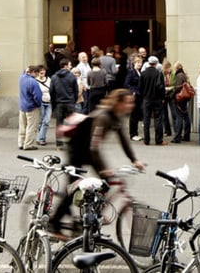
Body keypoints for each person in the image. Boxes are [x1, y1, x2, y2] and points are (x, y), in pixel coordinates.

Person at [48, 88, 147, 236]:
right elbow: (94, 147)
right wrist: (103, 169)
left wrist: (134, 160)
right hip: (77, 151)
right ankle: (54, 224)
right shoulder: (103, 117)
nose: (131, 106)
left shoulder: (115, 116)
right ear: (118, 103)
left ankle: (93, 213)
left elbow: (123, 140)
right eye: (128, 103)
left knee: (105, 182)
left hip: (89, 151)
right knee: (73, 189)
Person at [50, 58, 78, 148]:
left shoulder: (54, 77)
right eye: (70, 65)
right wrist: (74, 100)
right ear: (65, 66)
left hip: (59, 103)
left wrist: (54, 103)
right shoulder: (72, 76)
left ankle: (59, 145)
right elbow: (76, 91)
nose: (71, 66)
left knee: (59, 124)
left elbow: (51, 91)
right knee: (71, 124)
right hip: (70, 102)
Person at [139, 56, 167, 146]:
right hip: (157, 99)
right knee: (158, 119)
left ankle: (146, 140)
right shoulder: (159, 74)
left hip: (147, 99)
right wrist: (163, 98)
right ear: (156, 64)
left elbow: (140, 88)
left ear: (148, 63)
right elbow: (162, 88)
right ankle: (159, 140)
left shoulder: (143, 73)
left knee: (146, 119)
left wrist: (143, 96)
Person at [18, 65, 43, 150]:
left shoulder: (21, 78)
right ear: (34, 72)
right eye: (36, 73)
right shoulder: (33, 82)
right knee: (31, 127)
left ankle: (21, 143)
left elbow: (23, 72)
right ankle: (28, 144)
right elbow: (38, 96)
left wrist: (27, 69)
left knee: (23, 126)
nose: (37, 75)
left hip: (22, 106)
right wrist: (38, 104)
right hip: (32, 107)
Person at [171, 61, 191, 142]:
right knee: (186, 117)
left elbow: (177, 88)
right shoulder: (183, 75)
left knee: (179, 117)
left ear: (177, 68)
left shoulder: (179, 75)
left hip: (179, 98)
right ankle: (186, 135)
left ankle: (177, 137)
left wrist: (171, 95)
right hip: (184, 98)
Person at [125, 56, 144, 141]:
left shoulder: (139, 72)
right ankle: (133, 134)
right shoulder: (131, 72)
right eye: (138, 62)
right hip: (134, 96)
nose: (139, 64)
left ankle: (135, 133)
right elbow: (126, 84)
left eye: (140, 62)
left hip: (139, 96)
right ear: (134, 63)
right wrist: (133, 91)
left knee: (136, 115)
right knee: (133, 115)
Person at [35, 65, 52, 146]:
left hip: (49, 102)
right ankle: (40, 138)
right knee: (41, 121)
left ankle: (40, 138)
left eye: (44, 70)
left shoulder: (49, 79)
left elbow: (52, 89)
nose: (42, 71)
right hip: (41, 103)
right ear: (38, 72)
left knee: (47, 121)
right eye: (40, 70)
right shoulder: (35, 81)